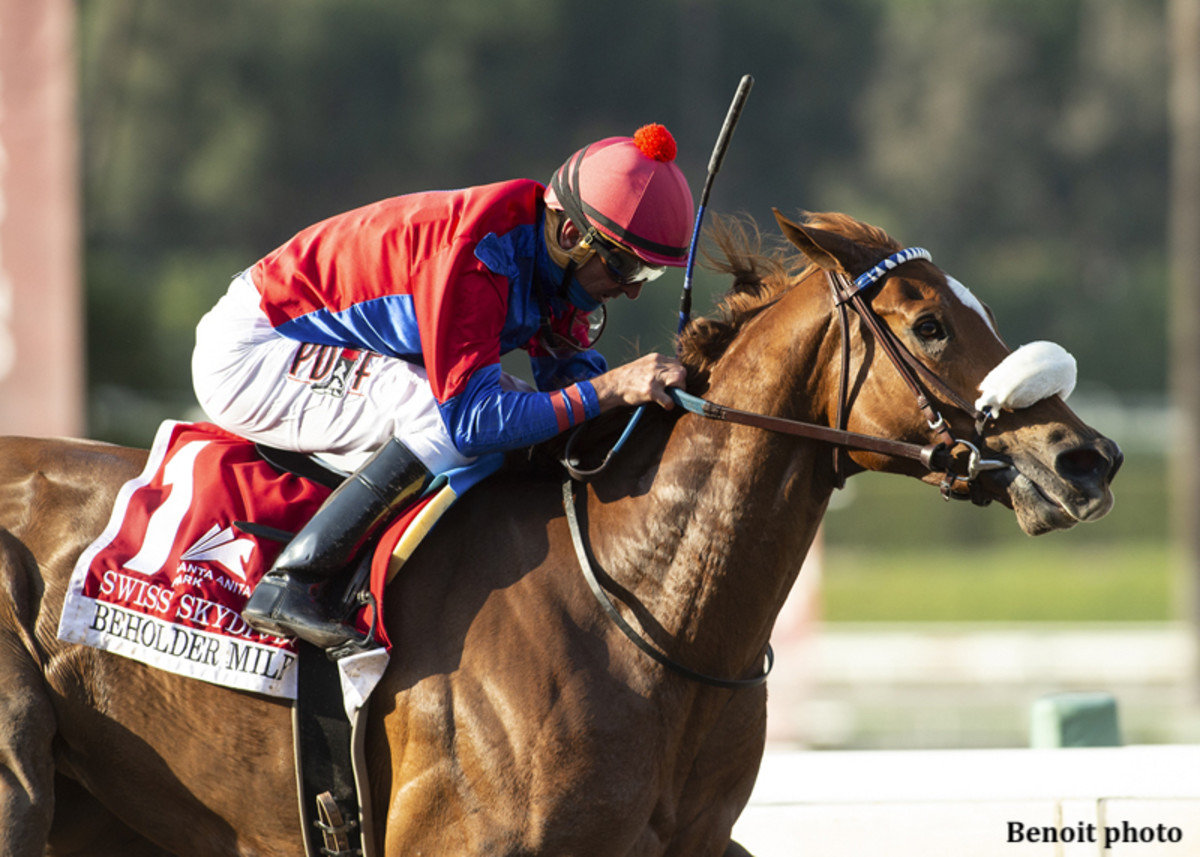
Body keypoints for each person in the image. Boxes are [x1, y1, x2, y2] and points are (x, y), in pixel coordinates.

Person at [191, 123, 694, 648]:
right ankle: (293, 582)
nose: (632, 290)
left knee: (527, 409)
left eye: (649, 274)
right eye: (626, 266)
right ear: (571, 235)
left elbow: (570, 389)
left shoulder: (557, 263)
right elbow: (472, 423)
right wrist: (614, 388)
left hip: (322, 342)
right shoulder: (478, 255)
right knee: (440, 419)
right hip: (256, 349)